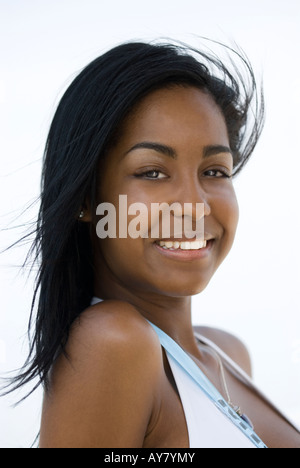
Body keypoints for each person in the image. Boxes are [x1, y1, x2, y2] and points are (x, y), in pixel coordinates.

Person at [7, 40, 300, 448]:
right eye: (153, 173)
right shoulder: (112, 343)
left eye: (215, 170)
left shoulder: (227, 353)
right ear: (87, 200)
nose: (195, 206)